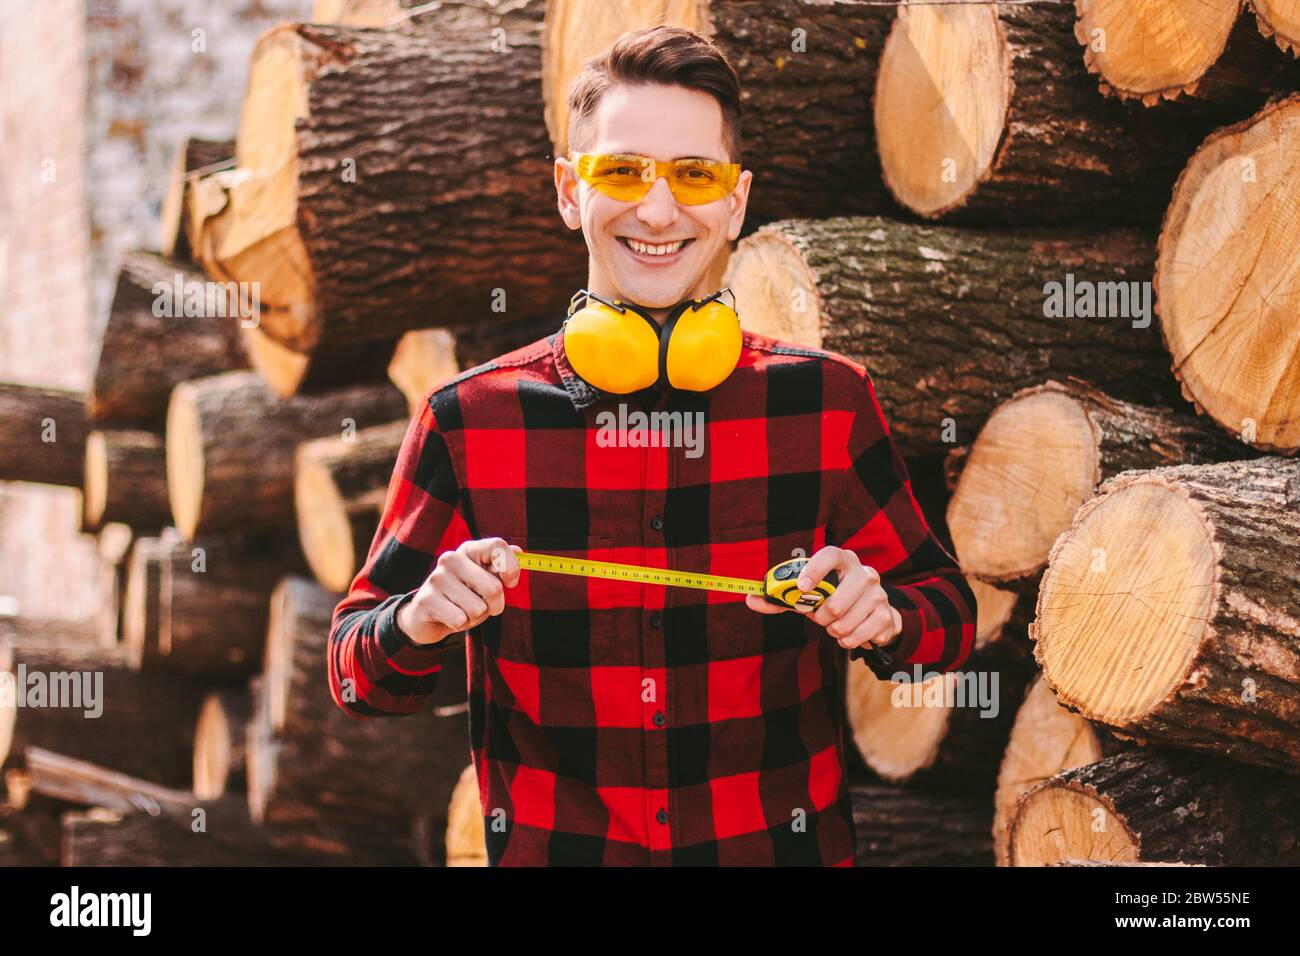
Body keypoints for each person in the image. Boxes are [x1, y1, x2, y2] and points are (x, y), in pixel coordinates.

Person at [328, 24, 976, 866]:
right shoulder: (469, 418)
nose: (659, 210)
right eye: (623, 172)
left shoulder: (825, 400)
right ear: (569, 191)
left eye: (694, 175)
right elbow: (355, 676)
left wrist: (886, 615)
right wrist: (417, 620)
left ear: (735, 201)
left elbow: (950, 619)